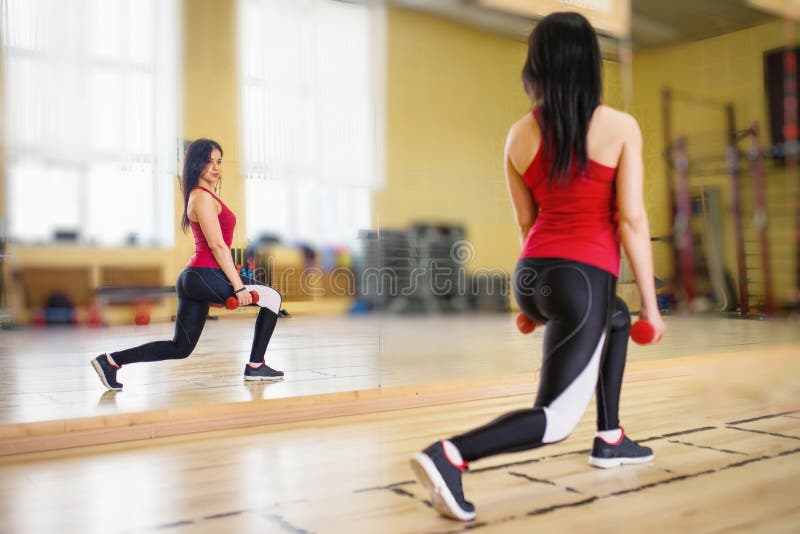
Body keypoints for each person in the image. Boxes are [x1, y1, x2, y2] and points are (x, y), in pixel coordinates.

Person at [410, 12, 666, 521]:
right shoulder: (619, 127)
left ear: (538, 65)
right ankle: (451, 454)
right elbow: (632, 221)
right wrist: (653, 310)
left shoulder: (518, 135)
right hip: (581, 280)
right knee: (553, 420)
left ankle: (610, 437)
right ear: (589, 63)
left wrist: (532, 302)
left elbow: (527, 224)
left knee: (613, 318)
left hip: (534, 275)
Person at [91, 138, 284, 391]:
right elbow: (217, 246)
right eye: (208, 161)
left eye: (219, 162)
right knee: (272, 297)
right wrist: (238, 288)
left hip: (198, 277)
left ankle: (111, 361)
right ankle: (256, 366)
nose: (215, 167)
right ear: (195, 165)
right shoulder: (201, 197)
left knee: (180, 347)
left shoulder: (202, 196)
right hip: (202, 274)